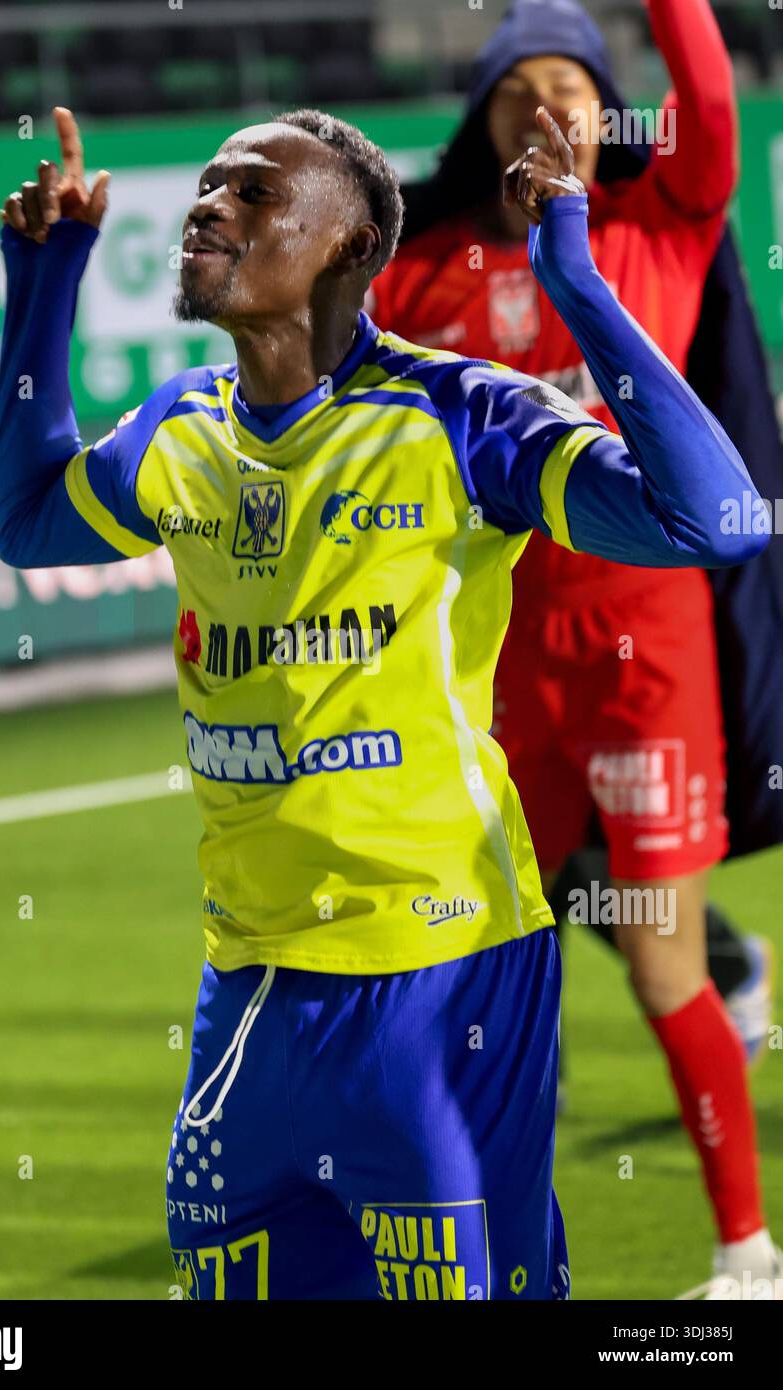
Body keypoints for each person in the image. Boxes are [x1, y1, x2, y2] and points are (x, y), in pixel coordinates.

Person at [0, 103, 766, 1301]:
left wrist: (578, 279)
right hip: (246, 990)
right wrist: (43, 283)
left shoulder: (461, 417)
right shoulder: (181, 427)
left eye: (252, 193)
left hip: (443, 975)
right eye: (207, 184)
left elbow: (714, 519)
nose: (208, 205)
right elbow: (31, 517)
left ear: (351, 247)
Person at [370, 0, 781, 1298]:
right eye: (515, 92)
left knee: (662, 960)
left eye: (572, 87)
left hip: (648, 667)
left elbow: (712, 104)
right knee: (474, 965)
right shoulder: (416, 272)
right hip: (494, 679)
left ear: (610, 117)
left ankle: (746, 1253)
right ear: (482, 122)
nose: (545, 109)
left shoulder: (661, 223)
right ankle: (479, 1240)